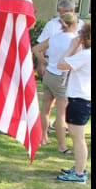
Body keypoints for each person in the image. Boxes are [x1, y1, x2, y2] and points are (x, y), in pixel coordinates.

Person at [31, 12, 78, 154]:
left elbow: (35, 49)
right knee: (61, 114)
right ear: (74, 25)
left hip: (49, 75)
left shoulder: (54, 37)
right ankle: (62, 146)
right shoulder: (74, 41)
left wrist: (44, 62)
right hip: (62, 78)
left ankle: (43, 137)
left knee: (45, 109)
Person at [56, 21, 91, 183]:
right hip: (84, 100)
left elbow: (61, 64)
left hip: (79, 100)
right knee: (79, 137)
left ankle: (79, 173)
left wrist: (71, 47)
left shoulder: (85, 55)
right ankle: (79, 167)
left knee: (78, 138)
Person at [36, 0, 79, 79]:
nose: (69, 13)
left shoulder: (80, 24)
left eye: (71, 10)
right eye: (65, 11)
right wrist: (41, 64)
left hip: (73, 67)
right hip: (53, 66)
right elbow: (40, 46)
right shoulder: (51, 24)